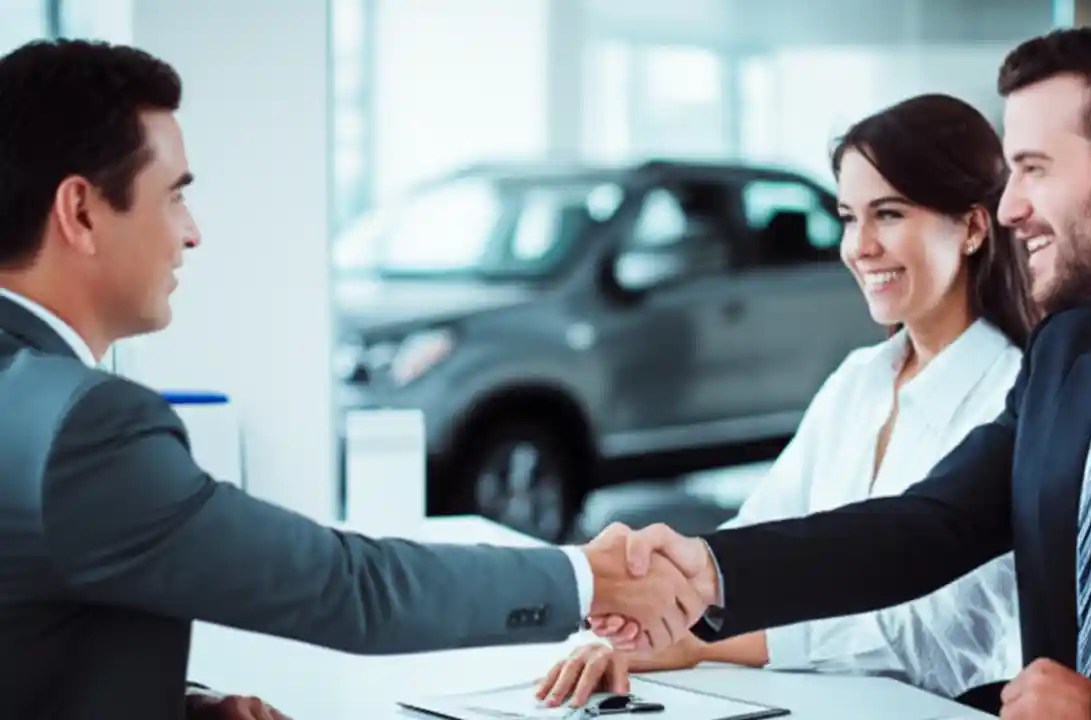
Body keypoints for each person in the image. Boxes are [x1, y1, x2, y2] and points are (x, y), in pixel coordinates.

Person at [0, 40, 705, 720]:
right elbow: (346, 585)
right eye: (174, 196)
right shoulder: (85, 427)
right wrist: (588, 578)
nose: (192, 233)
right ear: (82, 212)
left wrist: (172, 704)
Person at [596, 19, 1091, 719]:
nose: (1011, 207)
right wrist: (708, 570)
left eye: (1036, 169)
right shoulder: (1069, 350)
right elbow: (927, 528)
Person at [534, 94, 1039, 710]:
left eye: (888, 214)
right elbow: (760, 538)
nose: (860, 246)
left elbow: (937, 640)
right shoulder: (859, 379)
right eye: (849, 217)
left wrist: (701, 639)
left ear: (972, 228)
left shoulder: (1016, 397)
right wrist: (659, 617)